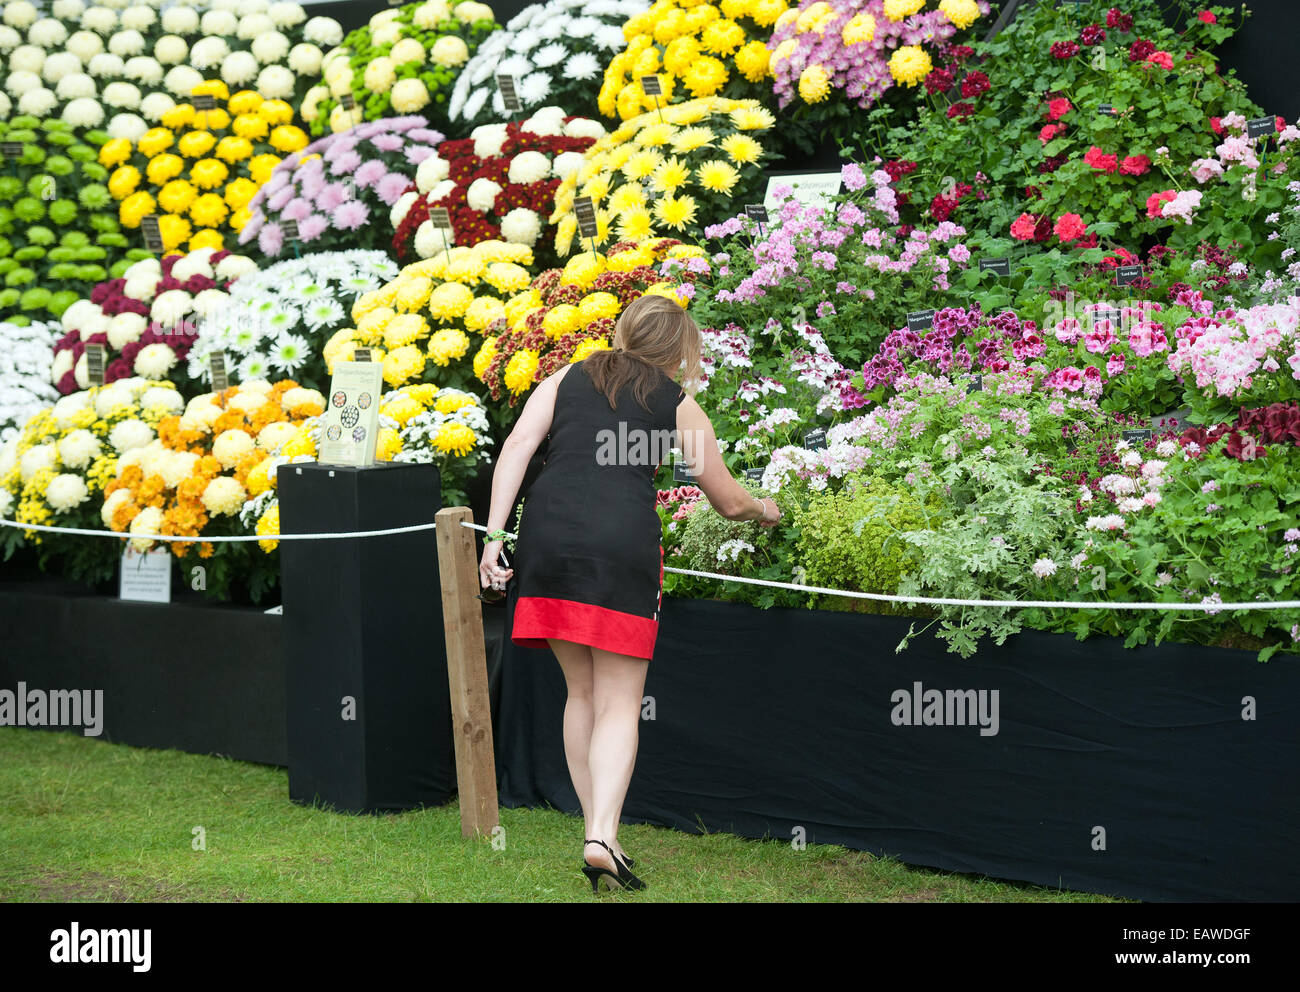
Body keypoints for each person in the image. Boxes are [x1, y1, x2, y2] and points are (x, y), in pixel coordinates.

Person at [478, 293, 780, 893]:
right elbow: (727, 499)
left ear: (624, 331)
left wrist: (492, 539)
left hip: (548, 539)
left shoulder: (565, 377)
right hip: (621, 549)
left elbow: (516, 447)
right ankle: (600, 835)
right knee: (619, 702)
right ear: (680, 350)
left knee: (580, 693)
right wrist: (766, 510)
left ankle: (603, 835)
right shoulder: (678, 405)